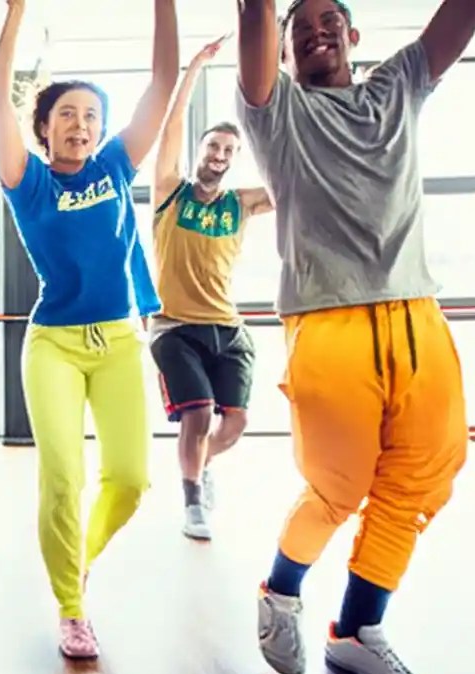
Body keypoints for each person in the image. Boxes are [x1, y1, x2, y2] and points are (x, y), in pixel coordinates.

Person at [236, 0, 475, 674]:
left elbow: (459, 18)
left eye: (326, 18)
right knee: (338, 487)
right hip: (329, 320)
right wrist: (261, 12)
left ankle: (357, 630)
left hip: (417, 314)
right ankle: (281, 589)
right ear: (284, 55)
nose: (312, 28)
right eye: (297, 26)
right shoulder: (277, 115)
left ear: (352, 35)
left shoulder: (397, 87)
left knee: (424, 477)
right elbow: (254, 15)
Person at [0, 0, 177, 661]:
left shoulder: (115, 167)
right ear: (43, 127)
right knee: (63, 476)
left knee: (128, 479)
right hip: (54, 346)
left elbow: (162, 82)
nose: (81, 124)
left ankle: (77, 560)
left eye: (91, 115)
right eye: (66, 113)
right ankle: (71, 606)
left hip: (120, 340)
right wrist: (12, 16)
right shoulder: (29, 184)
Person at [148, 35, 274, 541]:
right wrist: (196, 66)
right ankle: (192, 500)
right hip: (175, 327)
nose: (219, 155)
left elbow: (295, 178)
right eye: (213, 146)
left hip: (229, 328)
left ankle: (199, 466)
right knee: (197, 414)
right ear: (200, 151)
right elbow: (171, 128)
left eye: (228, 150)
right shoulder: (171, 193)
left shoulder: (240, 204)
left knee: (234, 425)